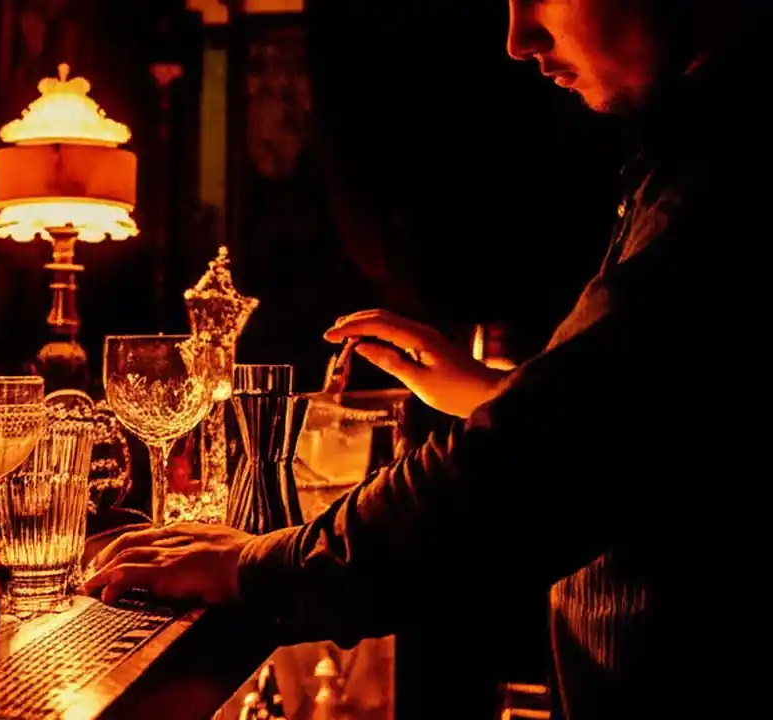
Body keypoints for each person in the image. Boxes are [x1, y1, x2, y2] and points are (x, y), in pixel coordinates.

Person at [83, 1, 767, 716]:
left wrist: (257, 566)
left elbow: (520, 479)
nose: (519, 39)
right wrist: (497, 395)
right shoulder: (692, 145)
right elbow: (642, 422)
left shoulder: (732, 166)